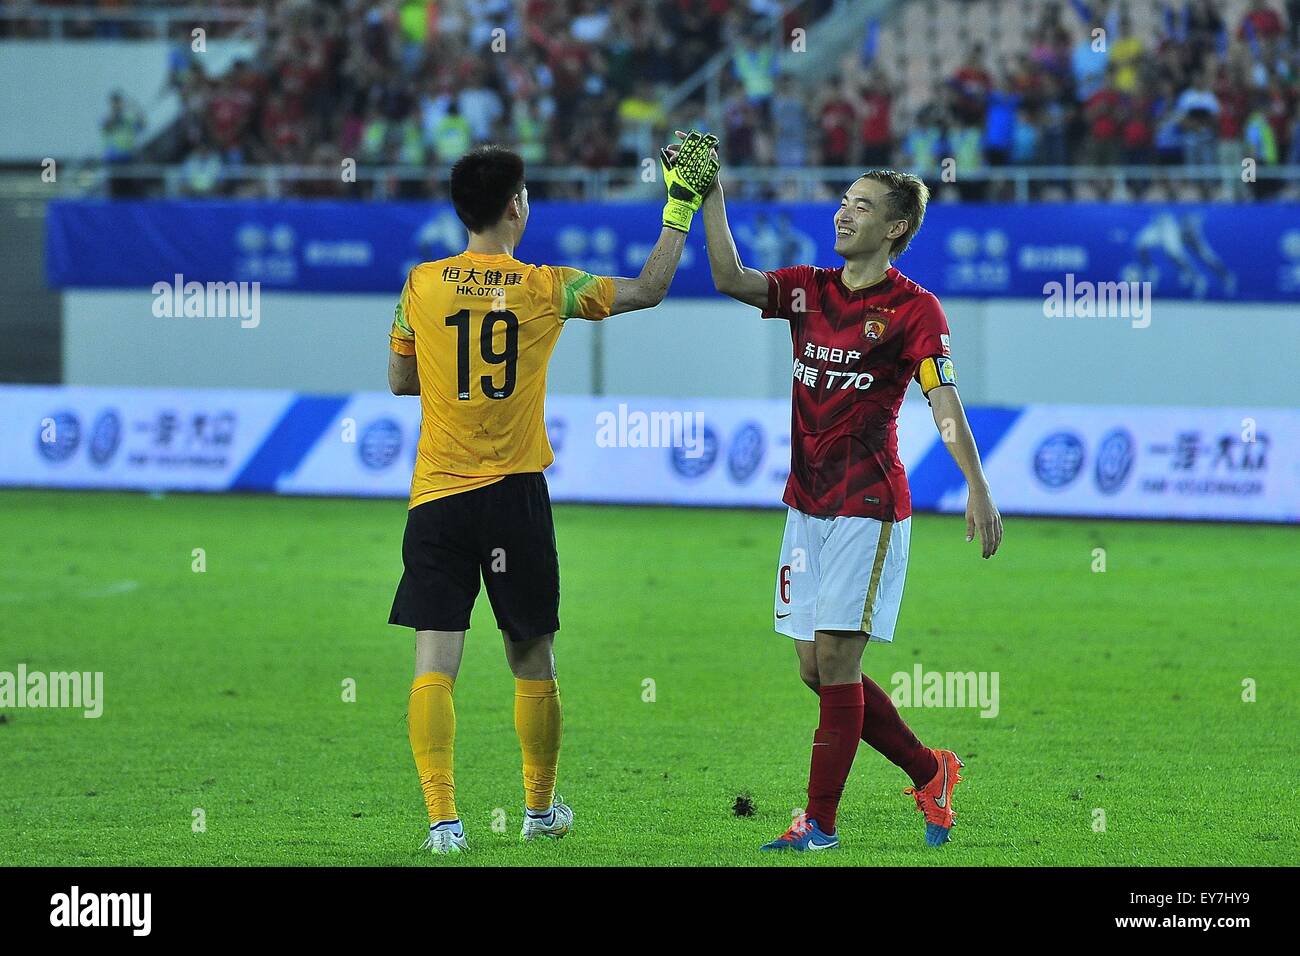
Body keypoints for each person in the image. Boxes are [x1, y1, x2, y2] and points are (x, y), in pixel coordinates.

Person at [387, 141, 717, 854]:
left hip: (437, 496)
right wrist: (680, 204)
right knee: (530, 657)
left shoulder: (421, 284)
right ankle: (538, 812)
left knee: (434, 661)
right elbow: (649, 289)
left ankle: (444, 823)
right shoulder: (548, 287)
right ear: (515, 207)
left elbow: (399, 381)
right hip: (513, 496)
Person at [685, 132, 1003, 851]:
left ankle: (819, 825)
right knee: (815, 667)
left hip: (868, 506)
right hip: (805, 505)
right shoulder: (810, 289)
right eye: (842, 200)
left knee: (837, 662)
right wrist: (711, 195)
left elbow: (942, 402)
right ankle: (931, 770)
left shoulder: (916, 310)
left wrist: (976, 486)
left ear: (895, 228)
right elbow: (732, 278)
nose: (843, 212)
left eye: (861, 205)